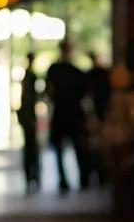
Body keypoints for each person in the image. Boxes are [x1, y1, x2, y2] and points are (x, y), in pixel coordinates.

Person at [46, 39, 90, 193]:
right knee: (74, 147)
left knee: (74, 147)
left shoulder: (60, 70)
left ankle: (75, 179)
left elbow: (48, 92)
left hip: (66, 112)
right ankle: (77, 179)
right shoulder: (70, 71)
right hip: (68, 112)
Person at [80, 50, 112, 187]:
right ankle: (97, 174)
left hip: (101, 115)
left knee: (99, 146)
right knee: (94, 146)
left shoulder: (98, 75)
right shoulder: (93, 76)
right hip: (96, 115)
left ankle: (99, 174)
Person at [17, 53, 40, 192]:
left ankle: (32, 175)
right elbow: (28, 99)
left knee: (30, 147)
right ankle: (32, 175)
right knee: (31, 147)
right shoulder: (29, 76)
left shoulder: (27, 76)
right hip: (29, 117)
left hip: (28, 117)